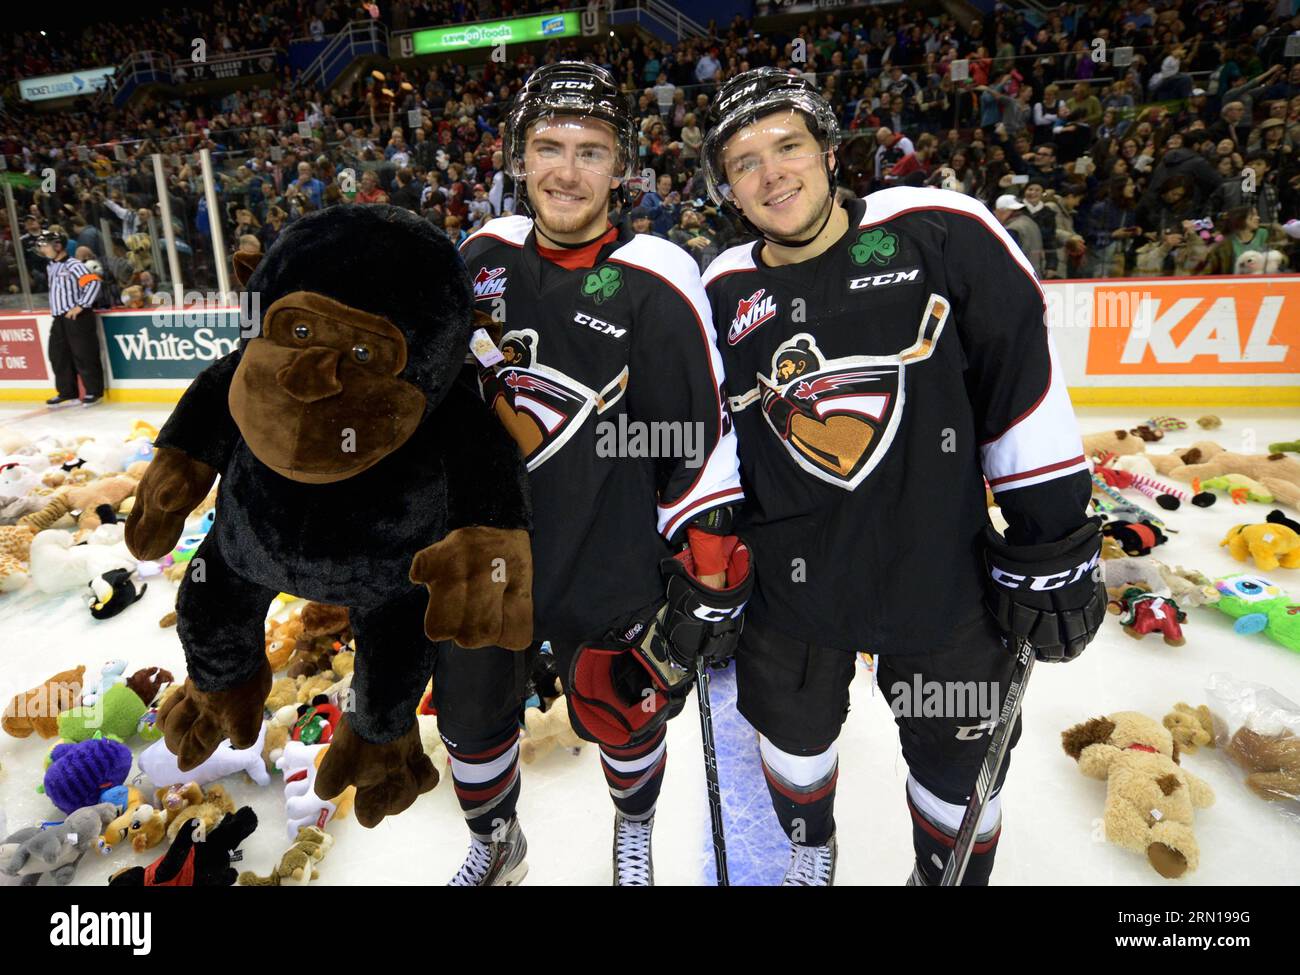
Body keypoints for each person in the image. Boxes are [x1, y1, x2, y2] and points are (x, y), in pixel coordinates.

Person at [699, 69, 1103, 886]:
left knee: (960, 761)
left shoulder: (935, 228)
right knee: (790, 734)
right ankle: (812, 849)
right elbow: (707, 444)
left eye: (788, 146)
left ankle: (939, 872)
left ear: (828, 152)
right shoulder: (722, 288)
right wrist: (696, 561)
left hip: (935, 570)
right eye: (745, 162)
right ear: (728, 189)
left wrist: (1051, 534)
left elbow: (1018, 377)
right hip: (792, 583)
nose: (772, 172)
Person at [455, 61, 749, 886]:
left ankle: (634, 830)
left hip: (609, 551)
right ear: (518, 156)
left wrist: (707, 563)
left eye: (592, 151)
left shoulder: (658, 276)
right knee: (472, 720)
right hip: (490, 557)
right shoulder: (481, 255)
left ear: (622, 166)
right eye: (549, 147)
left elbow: (697, 434)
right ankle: (494, 839)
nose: (566, 172)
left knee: (623, 713)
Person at [37, 229, 105, 407]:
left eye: (45, 245)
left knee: (84, 354)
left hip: (78, 318)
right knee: (58, 355)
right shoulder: (51, 266)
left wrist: (81, 305)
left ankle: (93, 391)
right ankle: (67, 392)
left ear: (58, 246)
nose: (43, 249)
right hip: (59, 318)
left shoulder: (73, 264)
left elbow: (93, 282)